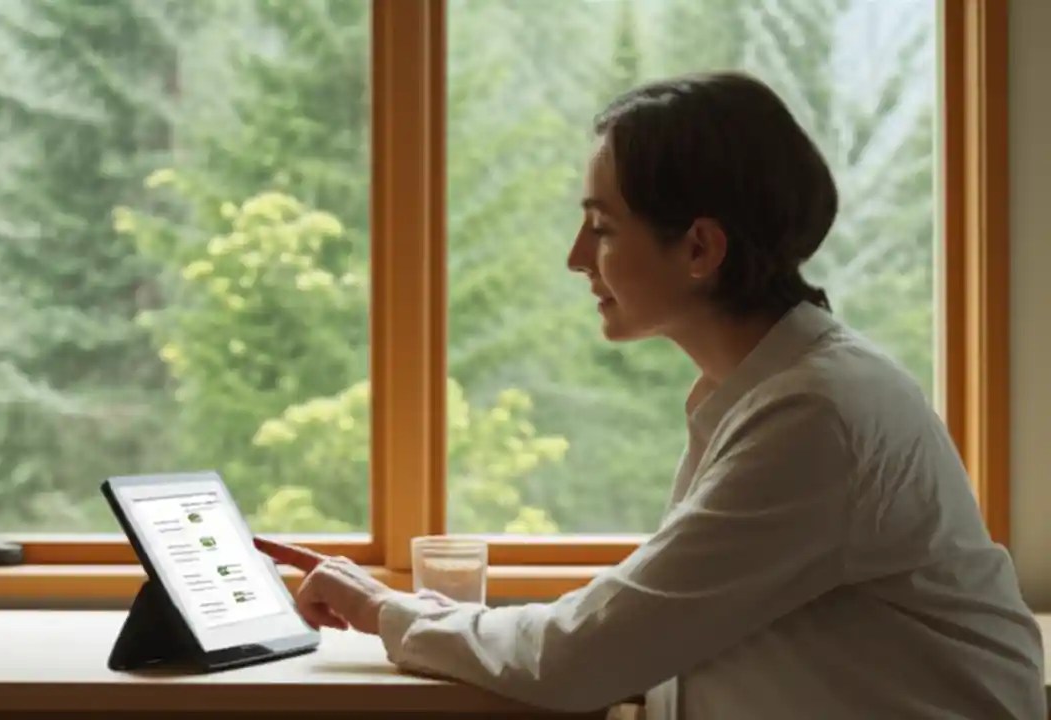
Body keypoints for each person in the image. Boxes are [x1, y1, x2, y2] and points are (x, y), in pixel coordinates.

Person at [253, 72, 1046, 719]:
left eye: (601, 228)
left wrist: (386, 612)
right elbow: (646, 629)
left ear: (699, 247)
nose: (576, 257)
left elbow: (586, 656)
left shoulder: (816, 417)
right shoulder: (769, 392)